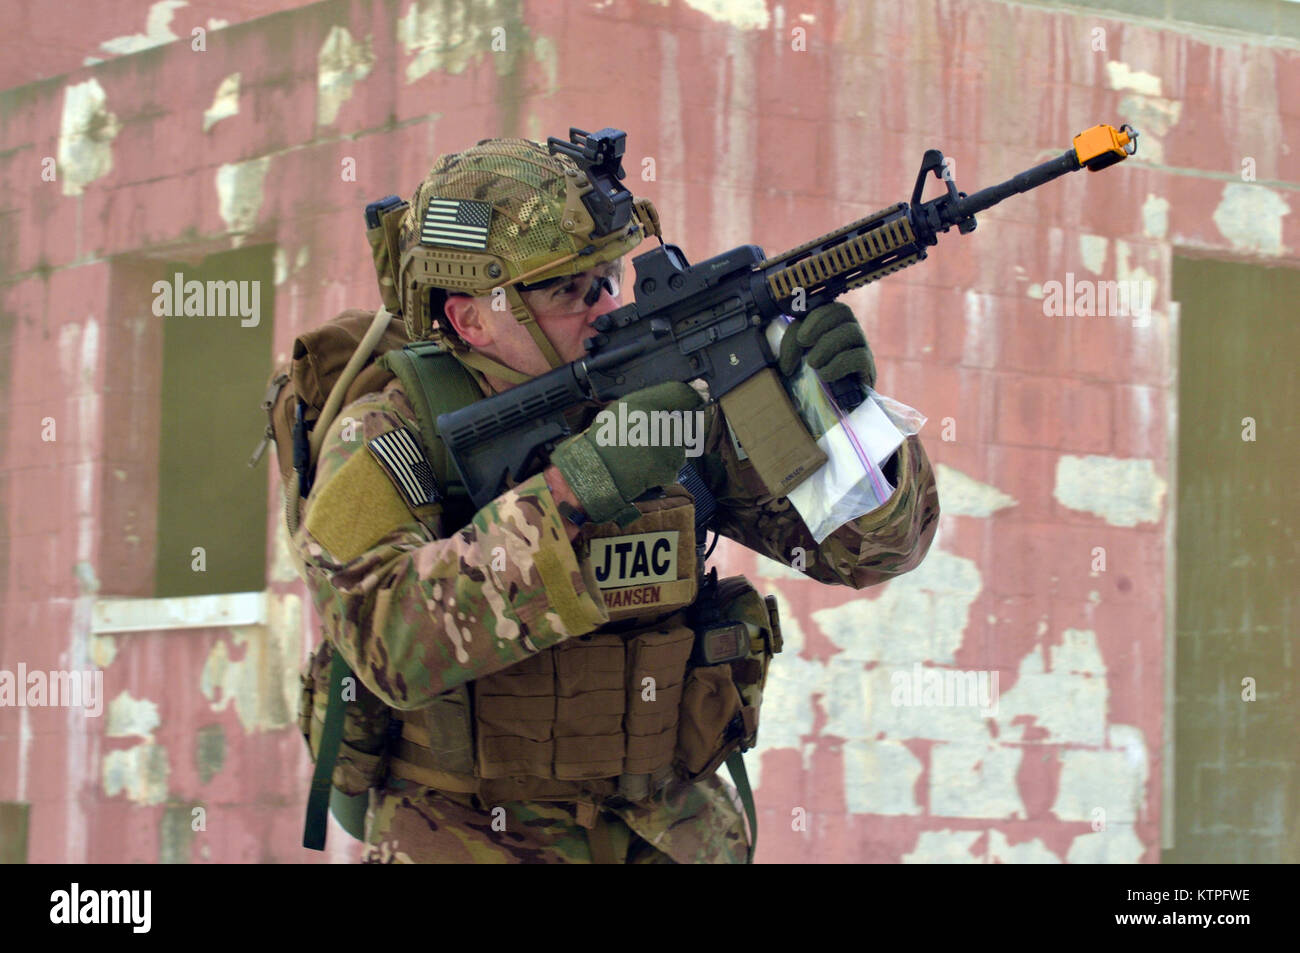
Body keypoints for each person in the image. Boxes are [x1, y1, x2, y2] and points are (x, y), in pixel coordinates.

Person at [292, 136, 940, 863]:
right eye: (568, 290)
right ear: (471, 318)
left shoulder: (663, 399)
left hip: (666, 830)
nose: (602, 307)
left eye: (606, 279)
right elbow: (389, 638)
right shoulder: (389, 429)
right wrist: (580, 486)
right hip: (467, 835)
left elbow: (874, 552)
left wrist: (844, 415)